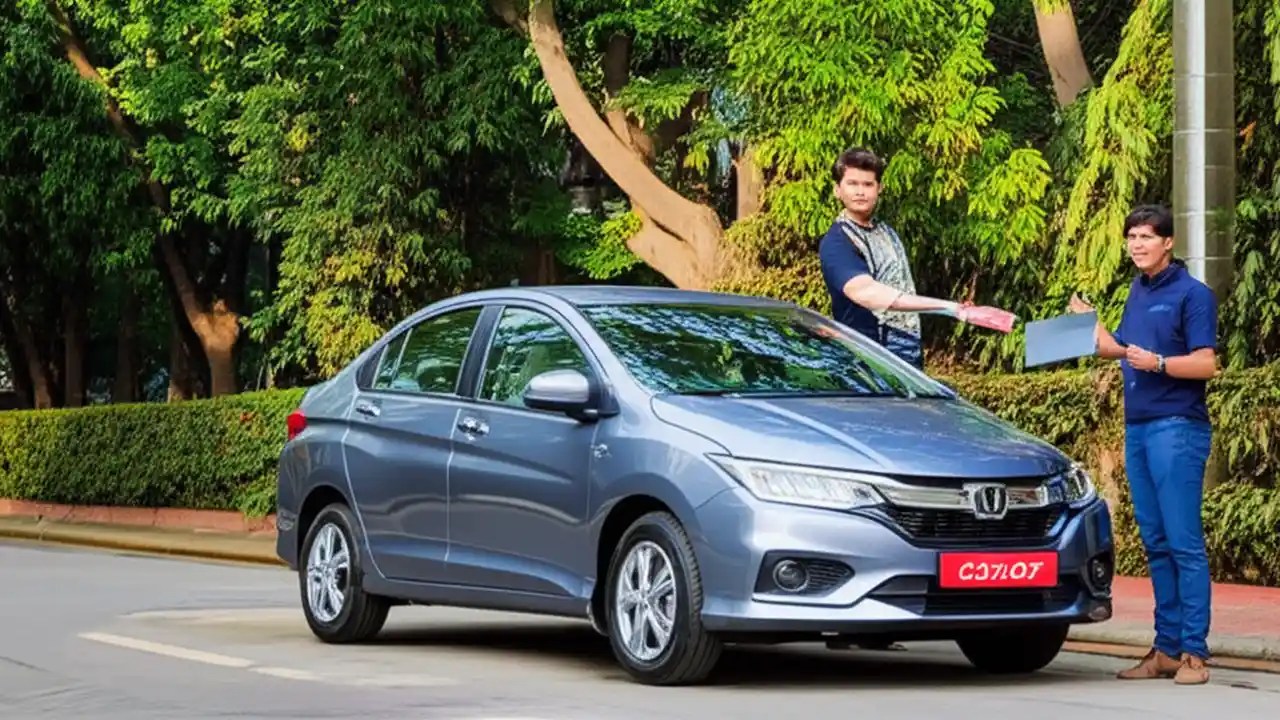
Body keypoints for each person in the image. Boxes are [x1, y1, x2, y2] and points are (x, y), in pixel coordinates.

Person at [1069, 203, 1219, 685]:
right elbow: (1122, 352)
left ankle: (1195, 652)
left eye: (1147, 236)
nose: (1137, 244)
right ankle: (1166, 649)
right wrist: (1089, 326)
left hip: (1178, 426)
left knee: (1183, 542)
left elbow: (1205, 364)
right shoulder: (1137, 290)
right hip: (1139, 427)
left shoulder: (1193, 295)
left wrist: (1157, 363)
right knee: (1155, 542)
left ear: (1168, 243)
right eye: (1132, 236)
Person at [817, 147, 974, 369]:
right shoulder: (837, 242)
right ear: (837, 190)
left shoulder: (887, 232)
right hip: (868, 359)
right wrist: (949, 308)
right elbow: (867, 293)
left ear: (879, 188)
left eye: (868, 184)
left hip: (905, 353)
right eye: (852, 184)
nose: (860, 192)